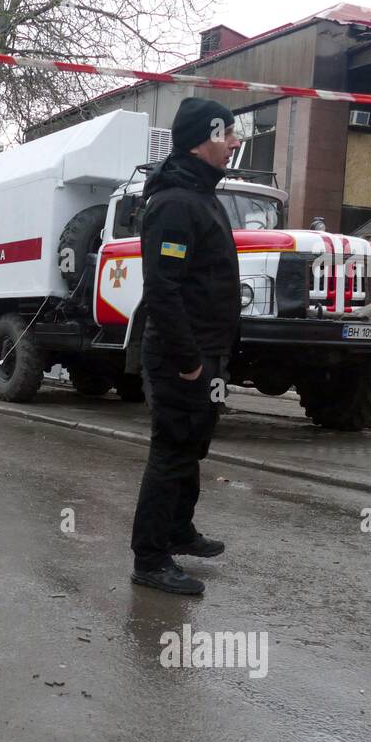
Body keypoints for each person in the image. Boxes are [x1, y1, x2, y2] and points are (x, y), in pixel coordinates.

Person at [128, 97, 242, 597]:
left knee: (192, 447)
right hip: (184, 357)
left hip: (209, 353)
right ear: (202, 139)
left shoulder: (202, 195)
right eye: (227, 134)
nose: (235, 143)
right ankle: (150, 560)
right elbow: (164, 291)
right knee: (172, 452)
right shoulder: (175, 203)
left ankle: (179, 531)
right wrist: (191, 362)